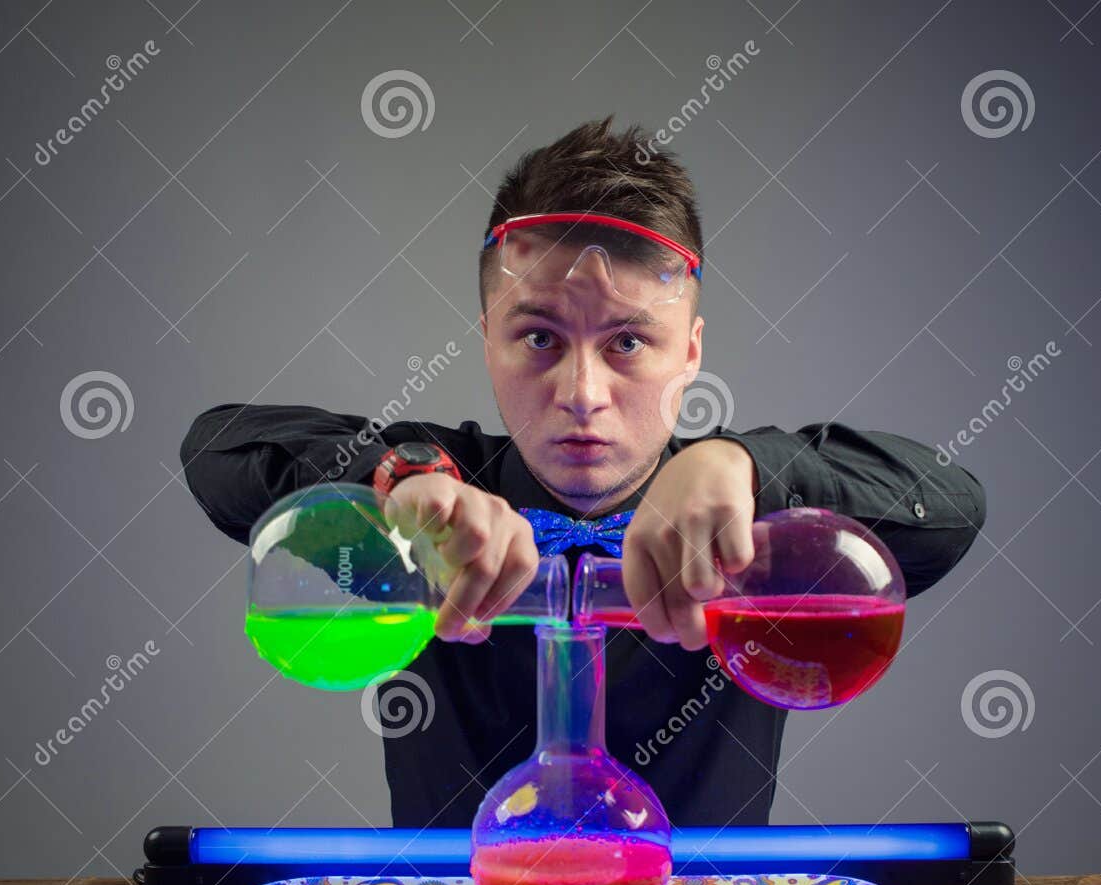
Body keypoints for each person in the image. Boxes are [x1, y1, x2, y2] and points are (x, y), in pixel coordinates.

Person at [180, 117, 986, 829]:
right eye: (539, 339)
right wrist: (406, 484)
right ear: (487, 338)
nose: (582, 394)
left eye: (628, 343)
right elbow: (218, 454)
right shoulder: (431, 498)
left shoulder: (748, 521)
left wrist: (741, 465)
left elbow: (951, 509)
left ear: (690, 353)